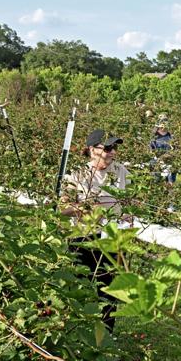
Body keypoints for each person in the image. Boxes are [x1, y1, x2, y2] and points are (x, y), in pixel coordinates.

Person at [60, 129, 130, 332]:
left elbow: (128, 200)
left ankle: (106, 334)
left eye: (114, 148)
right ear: (92, 150)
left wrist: (128, 214)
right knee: (81, 287)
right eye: (107, 148)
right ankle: (78, 332)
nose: (112, 152)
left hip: (112, 236)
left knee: (110, 289)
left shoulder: (120, 171)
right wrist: (87, 208)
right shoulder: (77, 174)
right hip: (83, 237)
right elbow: (62, 208)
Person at [149, 120, 176, 187]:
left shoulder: (171, 136)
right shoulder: (154, 136)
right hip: (156, 158)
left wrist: (169, 155)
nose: (163, 127)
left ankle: (169, 187)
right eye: (161, 125)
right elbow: (150, 149)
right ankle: (156, 187)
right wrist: (157, 157)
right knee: (156, 177)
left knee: (171, 176)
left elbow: (175, 148)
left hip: (169, 158)